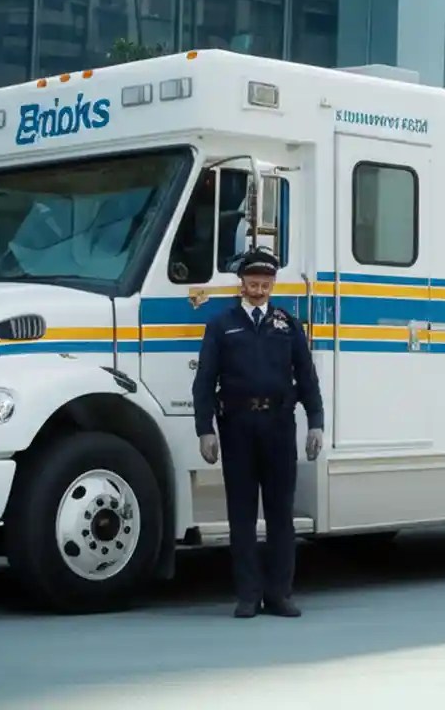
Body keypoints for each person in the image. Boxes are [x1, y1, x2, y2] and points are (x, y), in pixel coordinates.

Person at [191, 246, 324, 618]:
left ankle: (280, 594)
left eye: (266, 282)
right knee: (242, 514)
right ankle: (248, 595)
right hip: (237, 427)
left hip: (280, 426)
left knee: (281, 514)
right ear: (242, 283)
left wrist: (316, 422)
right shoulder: (222, 325)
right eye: (254, 281)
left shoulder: (287, 324)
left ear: (273, 284)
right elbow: (205, 381)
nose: (260, 288)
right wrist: (205, 430)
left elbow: (307, 376)